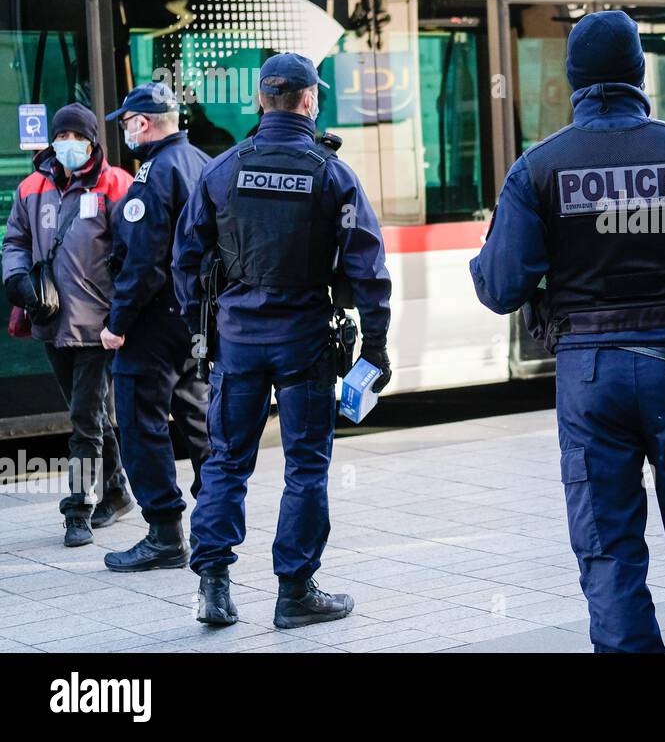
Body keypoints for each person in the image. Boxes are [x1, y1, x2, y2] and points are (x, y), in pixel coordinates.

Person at [470, 10, 665, 652]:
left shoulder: (539, 169)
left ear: (575, 78)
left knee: (609, 555)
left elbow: (500, 288)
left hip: (589, 377)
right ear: (640, 72)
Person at [173, 53, 392, 629]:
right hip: (304, 344)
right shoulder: (332, 173)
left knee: (224, 461)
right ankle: (294, 592)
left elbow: (185, 259)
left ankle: (213, 587)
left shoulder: (222, 169)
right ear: (309, 100)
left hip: (236, 343)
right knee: (305, 466)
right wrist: (376, 347)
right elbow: (369, 269)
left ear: (260, 102)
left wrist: (205, 322)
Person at [3, 103, 134, 546]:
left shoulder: (117, 185)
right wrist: (17, 277)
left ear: (93, 141)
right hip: (50, 320)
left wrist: (124, 311)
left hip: (99, 326)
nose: (70, 145)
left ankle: (79, 507)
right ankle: (117, 491)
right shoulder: (30, 188)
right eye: (63, 137)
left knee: (83, 419)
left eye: (79, 138)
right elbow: (15, 240)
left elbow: (135, 251)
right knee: (94, 414)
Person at [99, 83, 212, 571]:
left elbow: (144, 263)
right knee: (197, 415)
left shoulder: (153, 174)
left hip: (152, 322)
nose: (124, 130)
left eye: (126, 122)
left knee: (141, 421)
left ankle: (165, 534)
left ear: (142, 123)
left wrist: (118, 323)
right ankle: (217, 515)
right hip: (194, 317)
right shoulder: (203, 162)